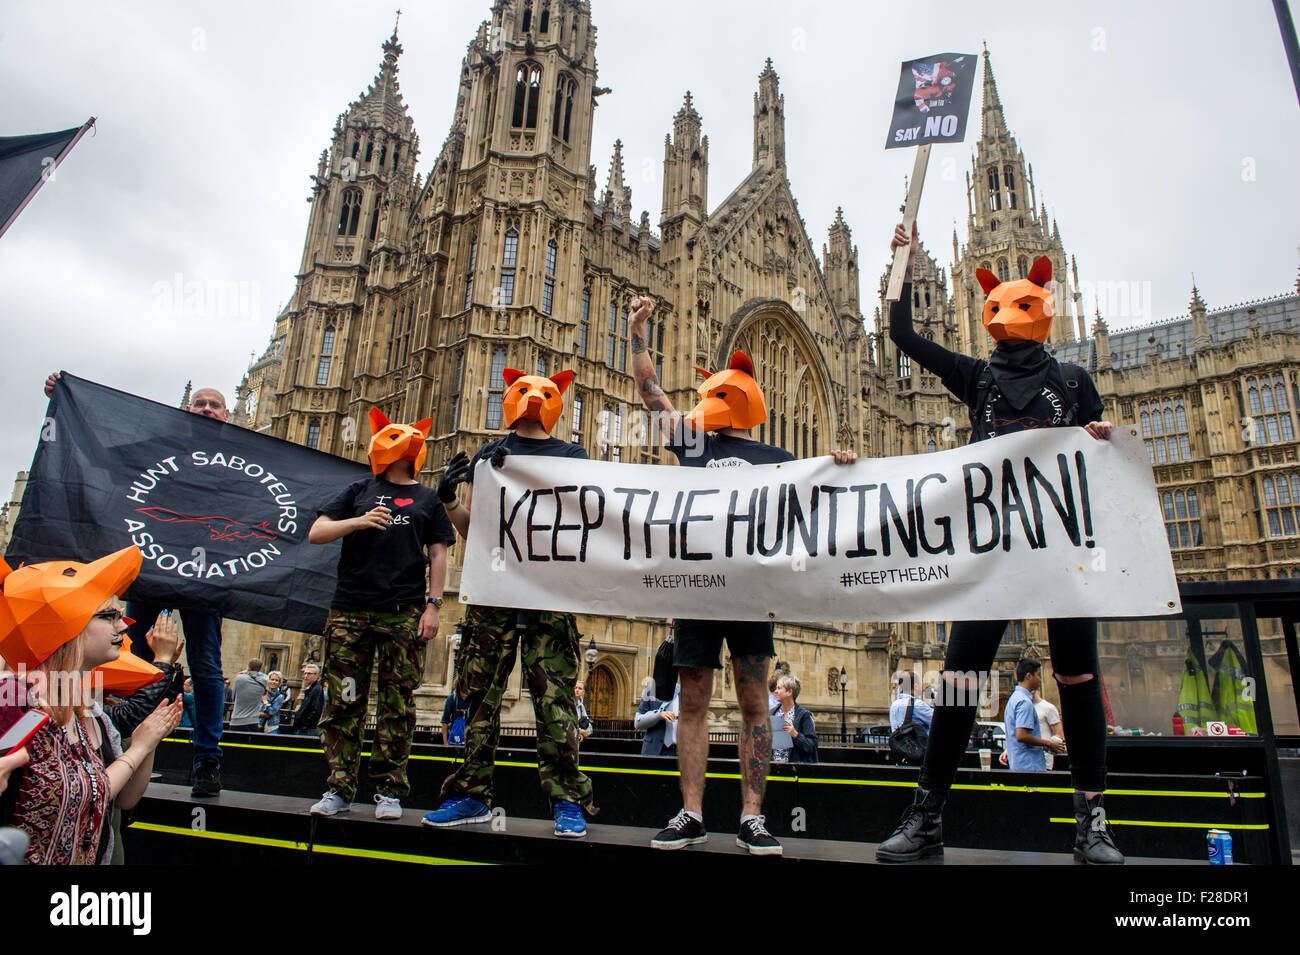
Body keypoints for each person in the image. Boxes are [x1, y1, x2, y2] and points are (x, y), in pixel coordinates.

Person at [876, 223, 1123, 865]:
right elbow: (902, 336)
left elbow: (1104, 463)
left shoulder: (1072, 381)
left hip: (1062, 551)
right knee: (958, 682)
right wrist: (899, 261)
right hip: (995, 552)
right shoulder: (978, 379)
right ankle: (927, 815)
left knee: (1076, 678)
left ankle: (1092, 822)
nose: (1005, 316)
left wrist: (1102, 439)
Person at [625, 294, 858, 856]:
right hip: (698, 591)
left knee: (755, 702)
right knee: (695, 700)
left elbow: (824, 496)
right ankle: (692, 813)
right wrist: (636, 332)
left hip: (752, 595)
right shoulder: (694, 443)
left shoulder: (778, 457)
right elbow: (651, 393)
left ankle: (752, 817)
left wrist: (842, 464)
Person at [423, 367, 595, 838]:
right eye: (525, 391)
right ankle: (471, 795)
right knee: (480, 696)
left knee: (555, 701)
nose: (534, 398)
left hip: (548, 593)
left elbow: (586, 523)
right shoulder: (488, 455)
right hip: (495, 591)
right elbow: (474, 531)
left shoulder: (572, 456)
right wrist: (448, 500)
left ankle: (566, 801)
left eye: (544, 391)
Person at [46, 372, 234, 800]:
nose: (206, 409)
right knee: (122, 654)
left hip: (207, 575)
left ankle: (207, 760)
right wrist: (65, 402)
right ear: (187, 410)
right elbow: (104, 455)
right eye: (199, 403)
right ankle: (113, 742)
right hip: (151, 568)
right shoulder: (159, 449)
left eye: (214, 405)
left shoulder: (242, 458)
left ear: (228, 415)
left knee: (206, 667)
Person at [307, 409, 452, 821]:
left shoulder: (428, 499)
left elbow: (439, 552)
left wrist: (434, 605)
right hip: (350, 609)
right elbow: (317, 532)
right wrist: (358, 521)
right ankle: (339, 787)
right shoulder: (358, 490)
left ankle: (389, 790)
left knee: (397, 703)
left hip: (402, 613)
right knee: (344, 701)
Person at [0, 545, 183, 864]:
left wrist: (147, 742)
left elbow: (120, 799)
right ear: (66, 623)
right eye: (108, 616)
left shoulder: (91, 715)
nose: (123, 626)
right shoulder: (13, 700)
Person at [770, 674, 818, 764]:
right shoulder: (773, 713)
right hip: (774, 769)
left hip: (794, 770)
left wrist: (795, 735)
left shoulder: (804, 715)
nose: (775, 691)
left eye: (779, 688)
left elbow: (812, 746)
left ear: (789, 692)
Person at [635, 679, 680, 757]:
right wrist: (658, 715)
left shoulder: (685, 693)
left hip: (679, 753)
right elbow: (637, 723)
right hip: (652, 751)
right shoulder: (650, 691)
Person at [229, 660, 268, 732]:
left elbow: (233, 697)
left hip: (237, 720)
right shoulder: (264, 680)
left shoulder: (239, 678)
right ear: (260, 669)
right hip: (253, 721)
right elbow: (263, 676)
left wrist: (246, 672)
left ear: (248, 667)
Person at [290, 663, 324, 736]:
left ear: (316, 675)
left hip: (307, 730)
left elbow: (315, 711)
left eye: (309, 674)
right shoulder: (311, 689)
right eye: (305, 673)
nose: (305, 676)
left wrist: (304, 726)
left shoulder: (317, 689)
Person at [1034, 688, 1064, 770]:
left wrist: (1049, 746)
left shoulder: (1048, 708)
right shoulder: (1023, 707)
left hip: (1044, 758)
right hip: (1028, 758)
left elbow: (1059, 735)